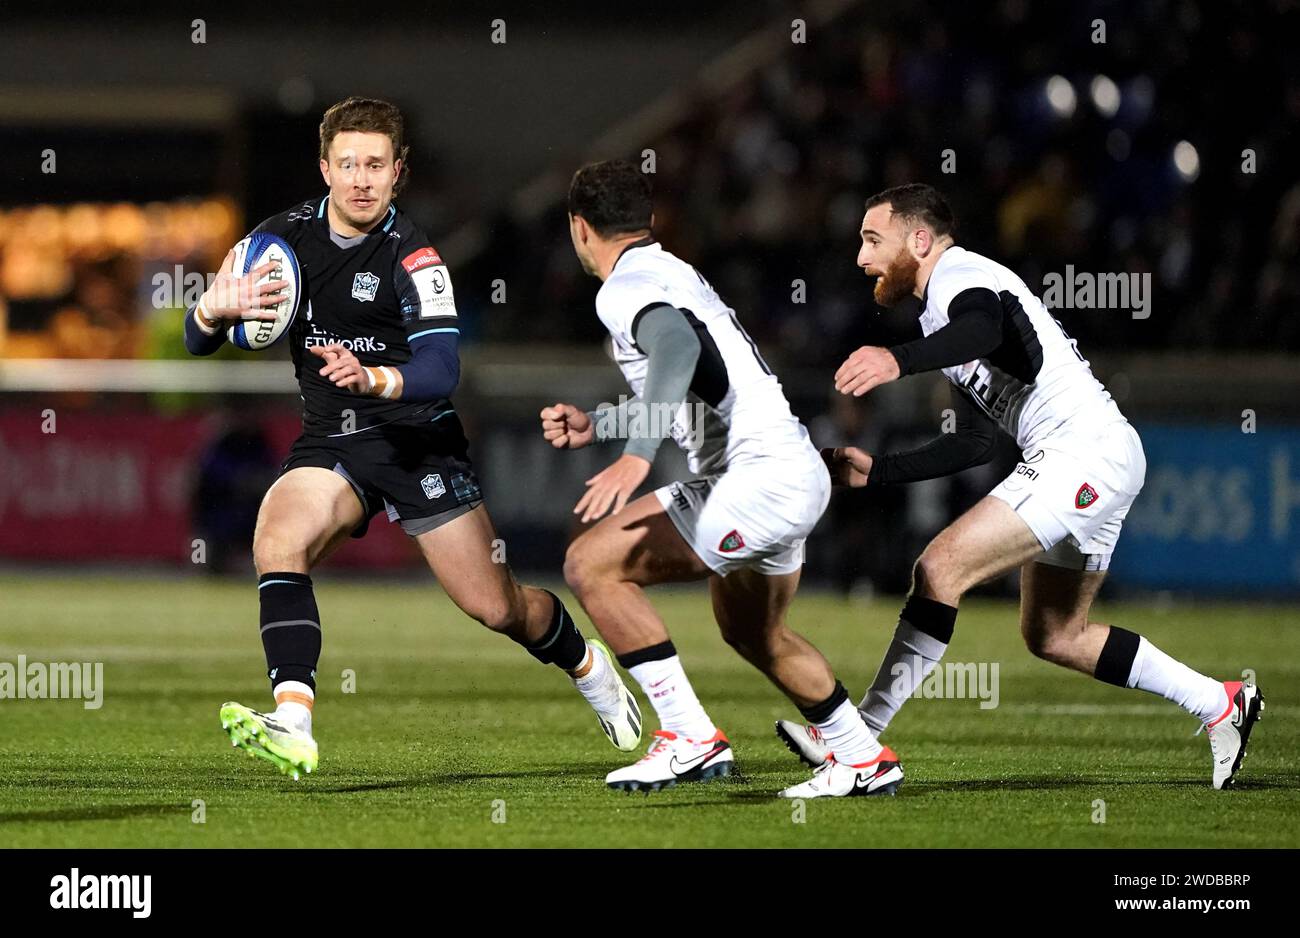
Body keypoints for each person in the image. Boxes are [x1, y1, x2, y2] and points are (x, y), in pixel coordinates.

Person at [183, 97, 641, 780]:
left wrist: (373, 378)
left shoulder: (414, 256)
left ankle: (586, 663)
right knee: (276, 537)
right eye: (347, 164)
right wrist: (209, 310)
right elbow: (199, 338)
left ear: (399, 171)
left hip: (416, 445)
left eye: (375, 164)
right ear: (324, 167)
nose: (361, 179)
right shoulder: (279, 241)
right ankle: (295, 721)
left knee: (498, 607)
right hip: (332, 443)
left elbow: (440, 368)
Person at [776, 183, 1263, 793]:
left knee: (940, 567)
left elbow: (980, 329)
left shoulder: (959, 275)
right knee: (1055, 634)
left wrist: (897, 360)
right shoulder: (939, 311)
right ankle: (1221, 703)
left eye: (873, 240)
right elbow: (977, 441)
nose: (861, 258)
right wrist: (879, 471)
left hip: (1081, 452)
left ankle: (858, 742)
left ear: (919, 240)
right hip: (1093, 454)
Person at [541, 160, 901, 795]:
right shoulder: (674, 271)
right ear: (649, 221)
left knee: (590, 564)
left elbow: (677, 353)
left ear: (578, 227)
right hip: (793, 471)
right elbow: (701, 380)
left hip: (754, 481)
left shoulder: (624, 287)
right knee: (752, 632)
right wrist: (599, 423)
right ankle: (860, 754)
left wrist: (637, 454)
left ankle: (688, 737)